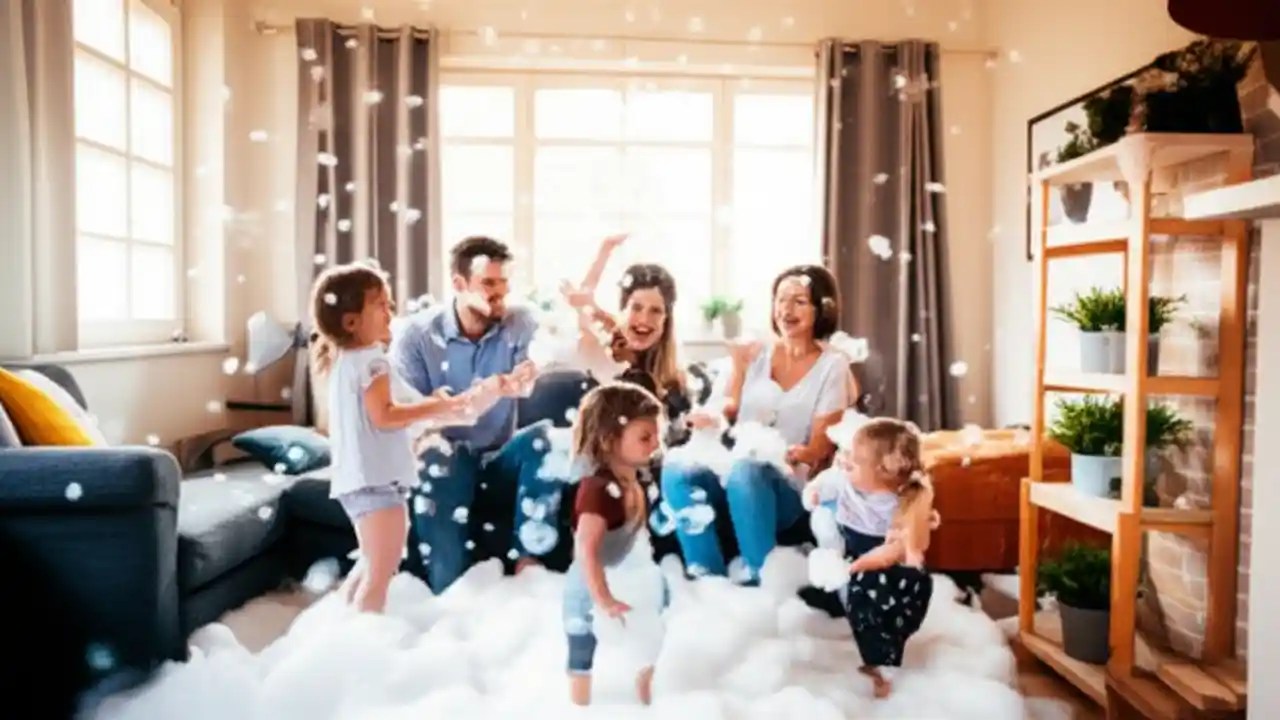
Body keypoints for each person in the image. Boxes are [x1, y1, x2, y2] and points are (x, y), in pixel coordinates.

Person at [311, 263, 513, 611]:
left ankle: (345, 634)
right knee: (380, 574)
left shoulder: (348, 360)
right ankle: (365, 647)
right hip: (376, 483)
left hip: (358, 481)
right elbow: (386, 416)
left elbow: (405, 412)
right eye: (381, 305)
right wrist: (434, 409)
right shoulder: (372, 361)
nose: (391, 311)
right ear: (351, 321)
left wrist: (440, 404)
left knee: (368, 568)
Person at [501, 234, 696, 569]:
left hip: (634, 480)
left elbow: (667, 445)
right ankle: (530, 562)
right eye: (636, 307)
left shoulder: (675, 383)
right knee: (552, 441)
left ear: (667, 321)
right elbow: (585, 306)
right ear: (621, 311)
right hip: (584, 470)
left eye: (655, 311)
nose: (645, 320)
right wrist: (603, 254)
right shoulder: (602, 355)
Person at [661, 265, 856, 583]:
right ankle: (709, 583)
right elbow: (726, 410)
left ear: (822, 308)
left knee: (748, 471)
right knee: (676, 469)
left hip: (788, 488)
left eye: (799, 301)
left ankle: (761, 586)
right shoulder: (756, 353)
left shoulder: (832, 366)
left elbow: (821, 446)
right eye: (780, 299)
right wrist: (728, 387)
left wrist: (791, 454)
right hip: (733, 474)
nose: (786, 309)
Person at [391, 236, 539, 594]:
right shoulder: (416, 336)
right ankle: (450, 599)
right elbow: (412, 420)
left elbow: (538, 362)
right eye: (488, 283)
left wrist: (531, 371)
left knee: (544, 437)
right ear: (459, 284)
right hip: (445, 450)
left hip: (499, 457)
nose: (499, 293)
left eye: (504, 283)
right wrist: (483, 394)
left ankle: (530, 572)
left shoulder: (519, 325)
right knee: (439, 457)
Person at [804, 418, 937, 699]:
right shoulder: (848, 483)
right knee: (849, 591)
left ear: (883, 471)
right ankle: (845, 608)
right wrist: (815, 494)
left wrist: (850, 569)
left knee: (867, 594)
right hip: (864, 560)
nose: (847, 459)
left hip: (899, 580)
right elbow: (826, 486)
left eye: (857, 459)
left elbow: (887, 556)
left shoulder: (904, 505)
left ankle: (884, 670)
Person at [561, 383, 668, 706]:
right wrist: (603, 598)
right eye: (645, 437)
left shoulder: (638, 478)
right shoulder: (597, 489)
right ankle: (579, 706)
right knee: (582, 647)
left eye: (656, 435)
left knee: (649, 640)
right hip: (588, 586)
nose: (656, 444)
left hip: (627, 577)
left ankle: (645, 701)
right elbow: (586, 550)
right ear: (610, 441)